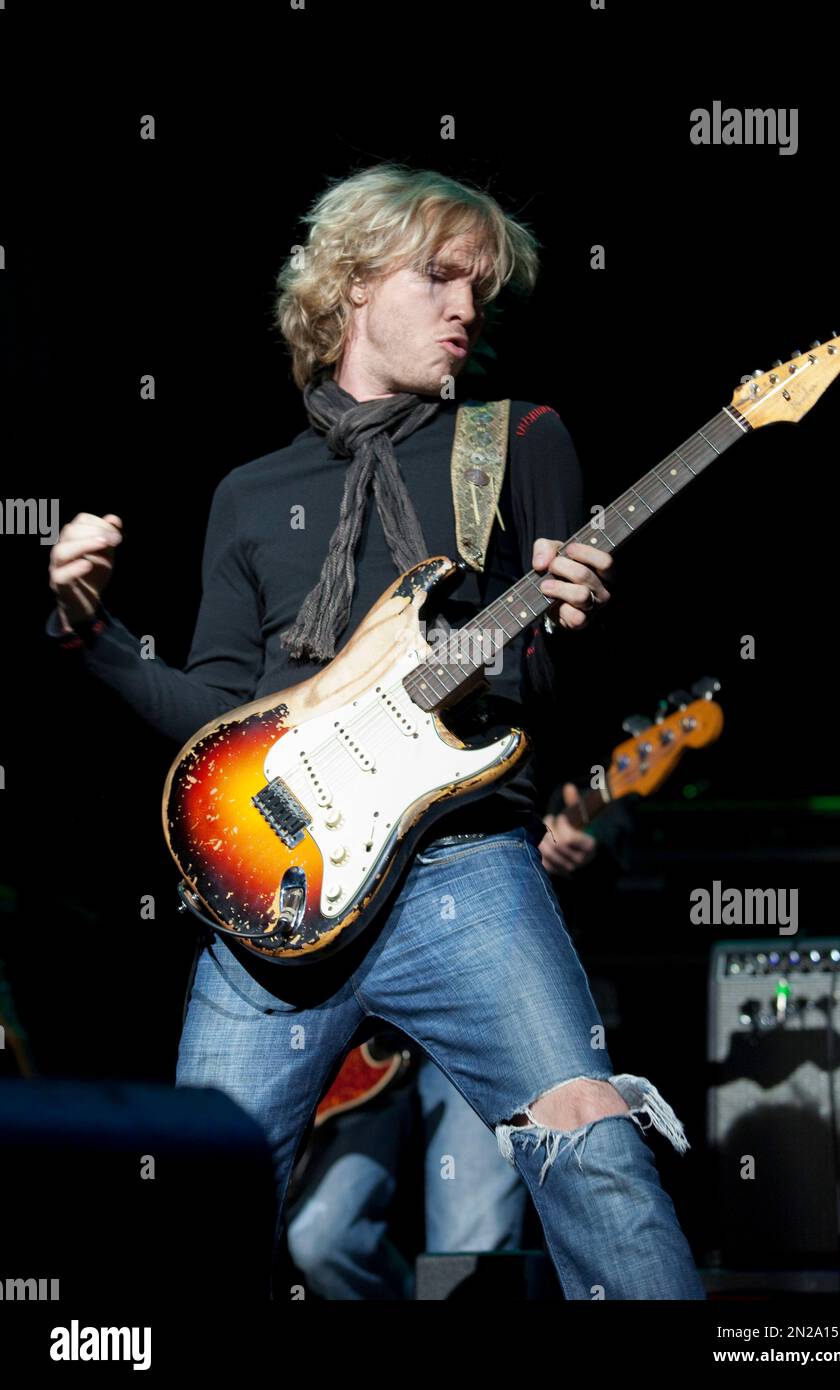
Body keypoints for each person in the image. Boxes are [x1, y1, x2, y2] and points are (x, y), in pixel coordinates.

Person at [46, 162, 705, 1300]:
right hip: (281, 898)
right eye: (440, 276)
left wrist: (574, 619)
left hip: (464, 870)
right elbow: (217, 720)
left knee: (594, 1149)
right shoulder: (250, 494)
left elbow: (548, 692)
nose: (466, 309)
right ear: (352, 281)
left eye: (480, 292)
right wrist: (88, 633)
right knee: (191, 1212)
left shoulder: (521, 438)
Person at [284, 784, 601, 1300]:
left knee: (466, 1253)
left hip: (482, 1009)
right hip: (373, 1036)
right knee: (322, 1236)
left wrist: (580, 836)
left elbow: (607, 819)